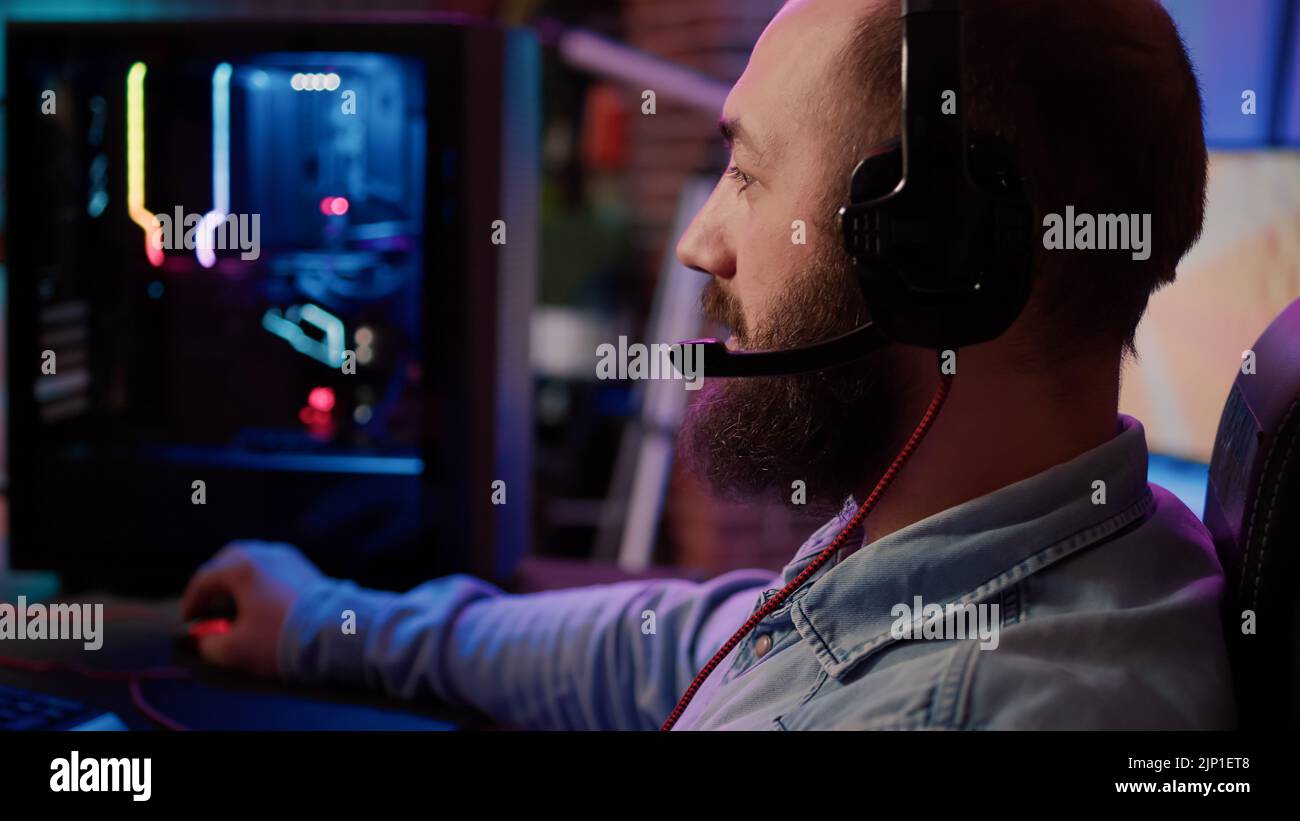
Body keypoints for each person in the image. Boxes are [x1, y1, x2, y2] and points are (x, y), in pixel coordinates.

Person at [181, 0, 1235, 730]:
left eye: (747, 172)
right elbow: (687, 640)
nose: (699, 242)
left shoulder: (938, 707)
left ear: (938, 254)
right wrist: (329, 623)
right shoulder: (1051, 537)